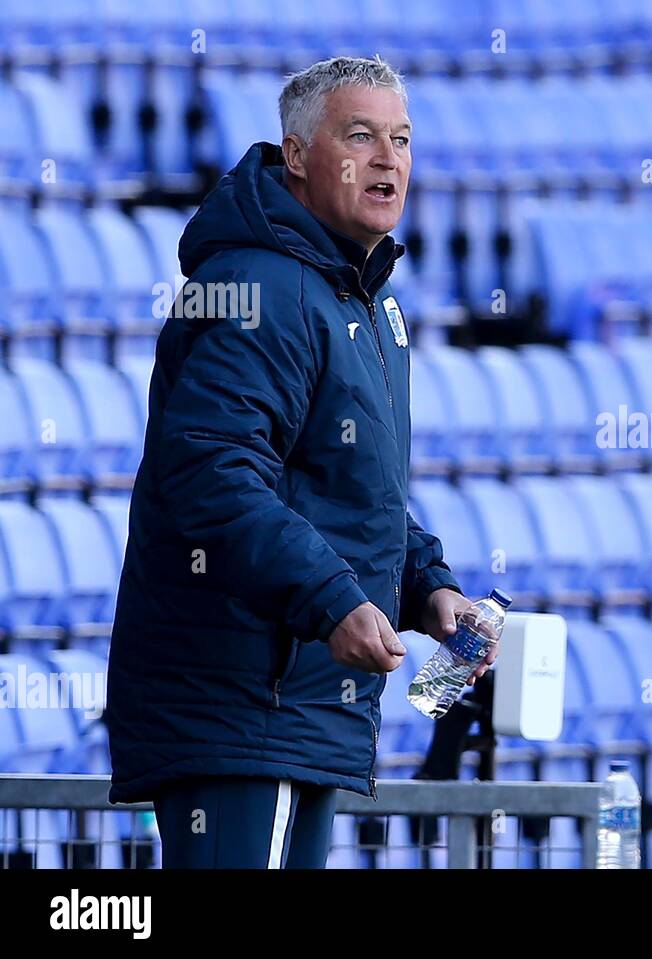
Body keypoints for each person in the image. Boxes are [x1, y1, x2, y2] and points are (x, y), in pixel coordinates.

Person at [104, 55, 490, 868]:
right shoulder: (257, 285)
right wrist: (329, 597)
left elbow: (346, 488)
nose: (390, 158)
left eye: (403, 138)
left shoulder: (366, 298)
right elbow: (212, 471)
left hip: (300, 704)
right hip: (246, 705)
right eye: (361, 136)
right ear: (297, 155)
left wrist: (428, 584)